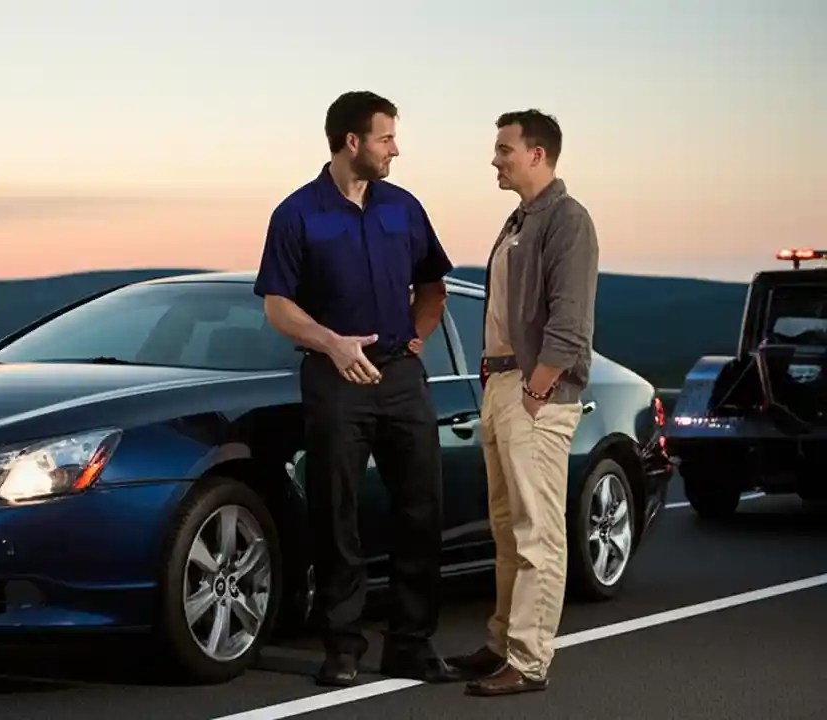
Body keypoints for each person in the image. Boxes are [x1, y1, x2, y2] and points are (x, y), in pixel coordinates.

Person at [254, 90, 462, 687]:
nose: (395, 148)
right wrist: (333, 344)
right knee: (336, 513)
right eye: (386, 137)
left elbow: (432, 285)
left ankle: (412, 645)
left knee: (422, 509)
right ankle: (342, 647)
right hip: (333, 376)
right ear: (353, 142)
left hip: (400, 377)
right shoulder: (297, 214)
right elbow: (277, 305)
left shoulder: (404, 208)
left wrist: (416, 341)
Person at [447, 109, 599, 696]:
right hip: (501, 387)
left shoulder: (568, 221)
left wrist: (538, 390)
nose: (495, 158)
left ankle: (529, 661)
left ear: (537, 154)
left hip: (536, 393)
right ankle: (501, 643)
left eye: (504, 148)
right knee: (507, 529)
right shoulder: (518, 220)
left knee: (537, 532)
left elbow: (570, 319)